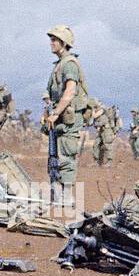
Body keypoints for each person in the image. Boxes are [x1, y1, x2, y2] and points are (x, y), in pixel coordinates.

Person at [42, 24, 91, 202]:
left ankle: (67, 196)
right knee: (54, 157)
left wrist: (55, 113)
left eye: (54, 40)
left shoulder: (69, 64)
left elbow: (70, 91)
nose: (51, 43)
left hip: (68, 119)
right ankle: (56, 194)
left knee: (66, 157)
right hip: (59, 119)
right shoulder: (59, 65)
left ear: (64, 43)